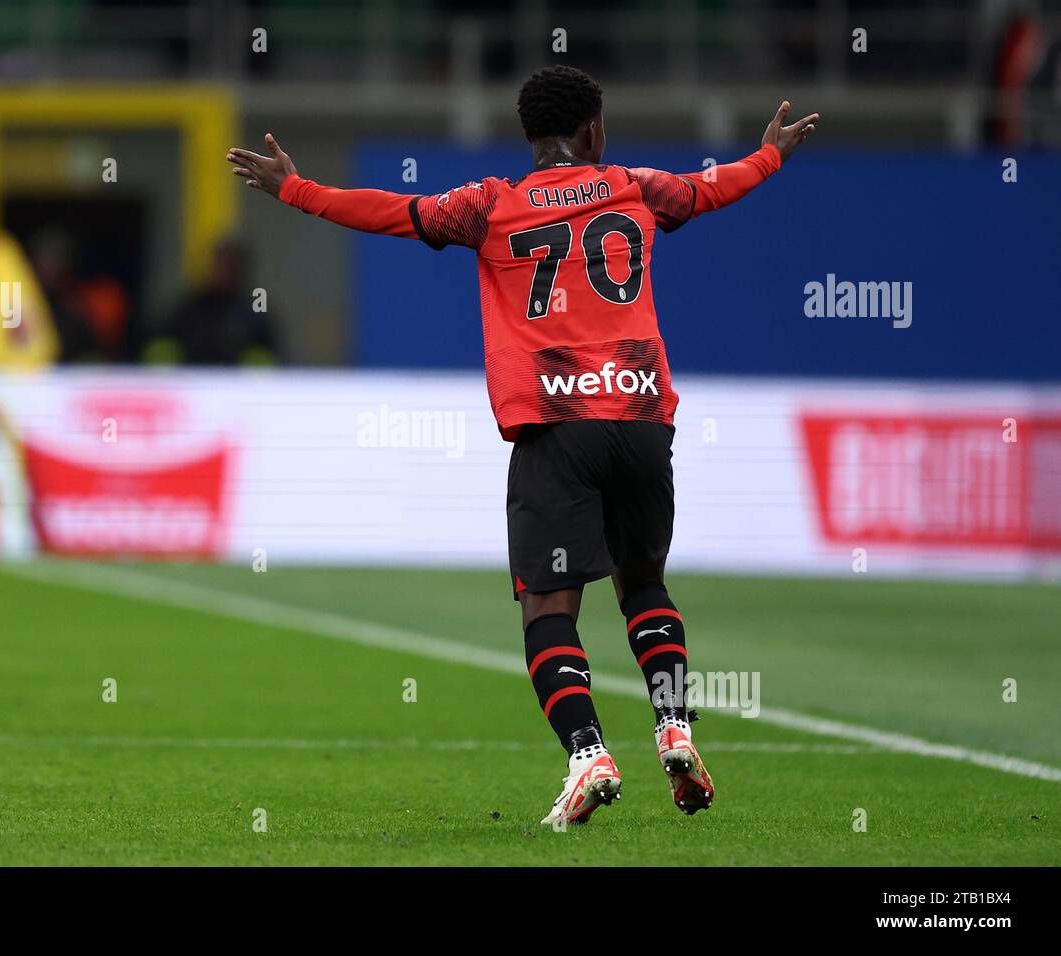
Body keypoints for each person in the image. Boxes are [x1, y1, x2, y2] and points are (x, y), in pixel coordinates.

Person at [228, 65, 817, 826]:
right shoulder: (633, 186)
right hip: (641, 420)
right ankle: (674, 726)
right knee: (643, 587)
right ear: (595, 130)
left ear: (531, 136)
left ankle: (588, 756)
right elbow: (713, 188)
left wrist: (295, 190)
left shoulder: (489, 205)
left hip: (556, 426)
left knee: (549, 606)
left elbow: (387, 212)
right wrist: (768, 156)